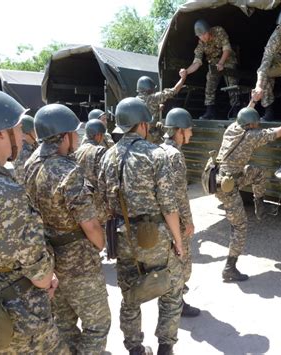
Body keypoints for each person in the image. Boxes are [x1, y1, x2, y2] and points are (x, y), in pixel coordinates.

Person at [0, 89, 68, 354]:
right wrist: (46, 279)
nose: (22, 135)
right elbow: (34, 264)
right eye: (17, 129)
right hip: (17, 314)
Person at [98, 97, 185, 355]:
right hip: (155, 237)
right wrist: (178, 241)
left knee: (130, 295)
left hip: (123, 238)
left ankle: (134, 348)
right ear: (143, 124)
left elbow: (104, 203)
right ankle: (165, 347)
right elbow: (169, 206)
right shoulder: (156, 154)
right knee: (172, 289)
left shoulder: (107, 156)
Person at [24, 104, 111, 353]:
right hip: (78, 260)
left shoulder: (31, 164)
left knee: (64, 322)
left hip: (49, 257)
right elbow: (91, 224)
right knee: (98, 323)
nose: (77, 138)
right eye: (74, 133)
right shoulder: (67, 170)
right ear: (64, 136)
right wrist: (101, 244)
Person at [215, 99, 281, 282]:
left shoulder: (233, 128)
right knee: (240, 227)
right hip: (226, 186)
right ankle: (229, 268)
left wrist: (253, 100)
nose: (258, 125)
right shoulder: (252, 136)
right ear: (251, 125)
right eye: (256, 123)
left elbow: (245, 114)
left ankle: (260, 205)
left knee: (258, 173)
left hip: (221, 175)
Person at [160, 107, 200, 318]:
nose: (191, 134)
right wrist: (189, 222)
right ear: (179, 131)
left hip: (162, 219)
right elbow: (180, 195)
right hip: (175, 219)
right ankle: (177, 304)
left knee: (169, 261)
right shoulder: (175, 156)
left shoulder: (159, 150)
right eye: (189, 130)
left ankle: (172, 297)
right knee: (181, 263)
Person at [180, 19, 240, 120]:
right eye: (199, 36)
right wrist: (186, 71)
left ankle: (236, 111)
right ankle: (210, 112)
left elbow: (227, 48)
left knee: (232, 84)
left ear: (209, 31)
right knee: (210, 83)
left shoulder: (218, 31)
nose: (202, 37)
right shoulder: (201, 43)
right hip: (214, 63)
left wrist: (221, 63)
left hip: (228, 59)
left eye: (204, 34)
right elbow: (197, 62)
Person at [74, 119, 108, 224]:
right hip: (98, 204)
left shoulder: (77, 151)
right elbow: (105, 180)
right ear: (98, 135)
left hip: (83, 204)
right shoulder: (100, 151)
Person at [136, 73, 187, 144]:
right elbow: (173, 91)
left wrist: (157, 108)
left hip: (140, 133)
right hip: (151, 135)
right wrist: (183, 79)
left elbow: (147, 110)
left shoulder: (136, 100)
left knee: (160, 125)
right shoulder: (153, 98)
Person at [13, 114, 38, 185]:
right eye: (33, 131)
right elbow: (22, 180)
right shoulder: (24, 152)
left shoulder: (30, 146)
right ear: (26, 133)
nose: (36, 134)